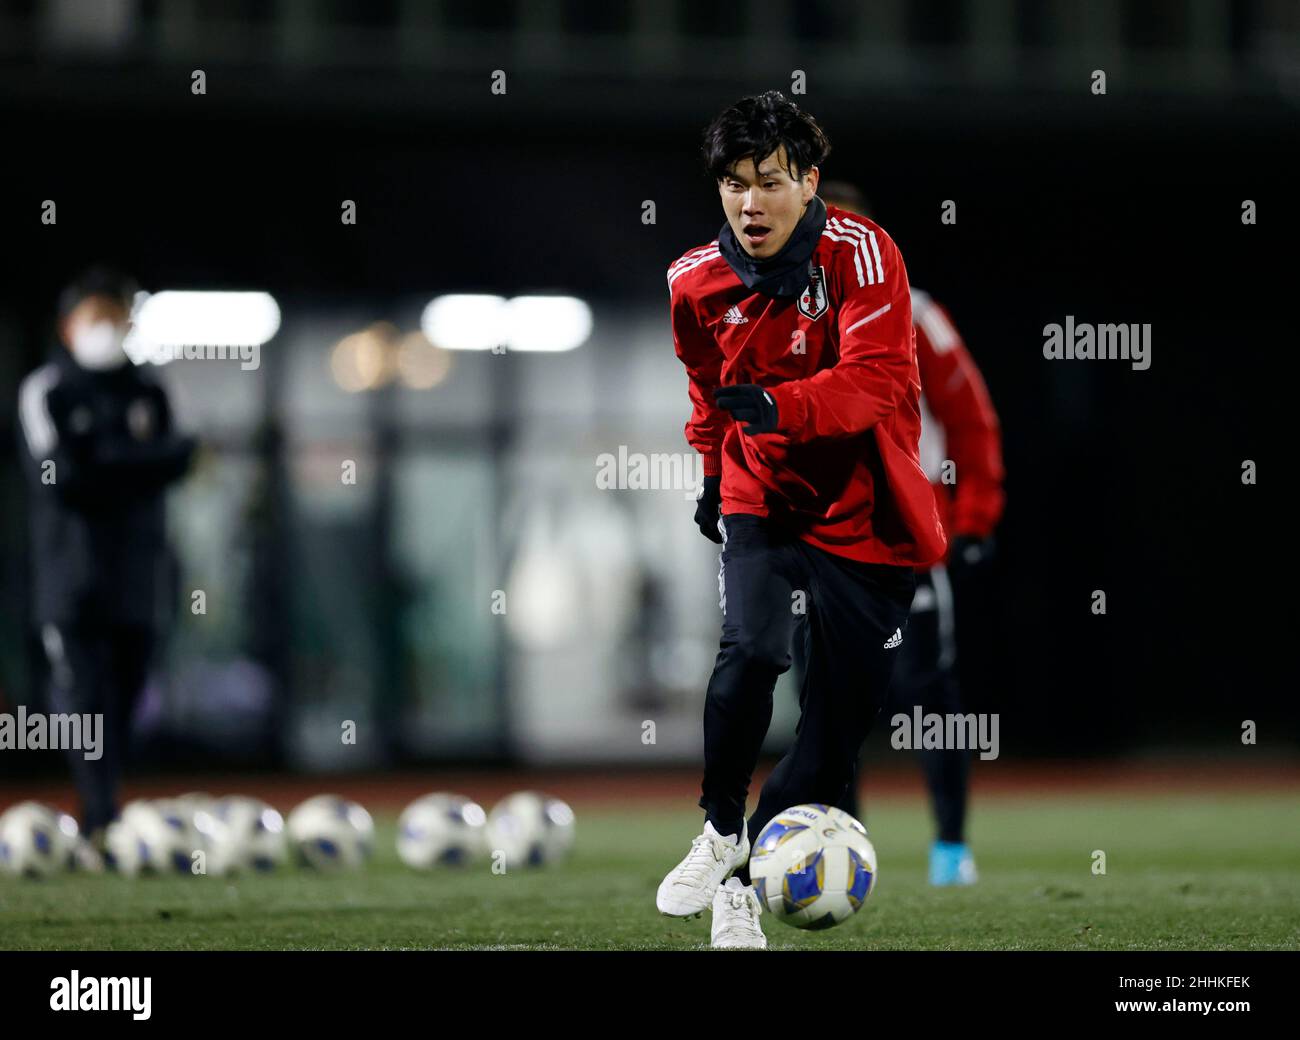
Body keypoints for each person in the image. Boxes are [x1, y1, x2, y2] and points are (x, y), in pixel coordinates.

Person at [656, 92, 945, 948]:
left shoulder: (864, 251)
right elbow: (707, 395)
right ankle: (720, 838)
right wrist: (714, 472)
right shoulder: (691, 282)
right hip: (763, 498)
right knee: (752, 649)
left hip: (867, 513)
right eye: (734, 184)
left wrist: (776, 407)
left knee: (832, 735)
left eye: (771, 182)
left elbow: (879, 382)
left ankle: (742, 870)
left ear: (809, 181)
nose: (751, 203)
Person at [804, 181, 1006, 886]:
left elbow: (972, 421)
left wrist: (975, 518)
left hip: (903, 540)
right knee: (825, 704)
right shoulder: (782, 319)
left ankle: (951, 846)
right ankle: (839, 846)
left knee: (929, 696)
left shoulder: (916, 316)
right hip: (818, 542)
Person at [16, 267, 196, 857]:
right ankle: (101, 817)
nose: (108, 329)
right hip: (71, 582)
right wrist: (135, 465)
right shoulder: (45, 389)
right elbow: (60, 477)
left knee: (126, 694)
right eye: (96, 317)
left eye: (117, 316)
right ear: (68, 326)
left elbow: (178, 457)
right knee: (82, 698)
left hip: (138, 578)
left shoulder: (150, 388)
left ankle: (103, 810)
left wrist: (105, 462)